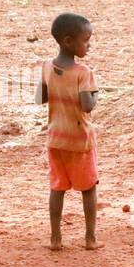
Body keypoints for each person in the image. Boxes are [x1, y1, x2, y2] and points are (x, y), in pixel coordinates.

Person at [38, 13, 100, 251]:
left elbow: (40, 98)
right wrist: (95, 94)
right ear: (68, 41)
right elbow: (87, 105)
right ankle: (90, 238)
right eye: (86, 40)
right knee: (88, 188)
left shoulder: (45, 67)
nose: (89, 45)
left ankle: (55, 238)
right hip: (80, 139)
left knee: (57, 187)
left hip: (55, 138)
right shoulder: (83, 72)